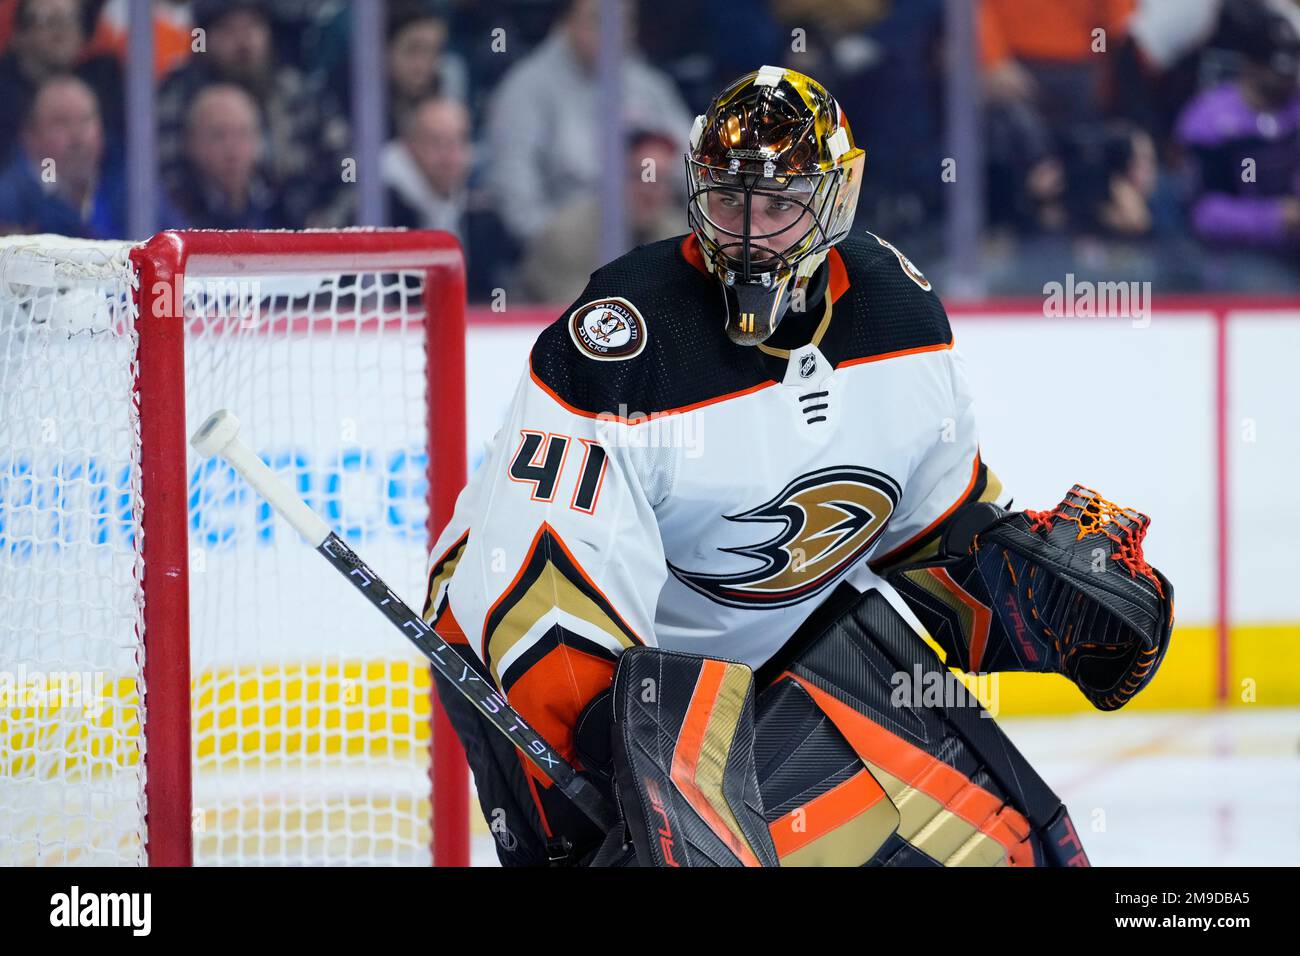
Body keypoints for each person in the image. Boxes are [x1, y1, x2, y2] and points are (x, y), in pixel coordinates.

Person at [422, 67, 1174, 867]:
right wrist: (626, 764)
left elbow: (930, 536)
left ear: (836, 201)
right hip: (530, 661)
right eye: (728, 199)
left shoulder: (898, 319)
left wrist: (1018, 596)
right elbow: (539, 594)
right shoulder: (623, 344)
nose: (747, 232)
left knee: (1013, 850)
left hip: (767, 647)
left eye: (779, 204)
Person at [482, 0, 692, 245]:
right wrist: (563, 243)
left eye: (625, 21)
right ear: (565, 22)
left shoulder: (648, 84)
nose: (615, 31)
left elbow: (694, 167)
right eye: (599, 19)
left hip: (647, 237)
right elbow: (516, 199)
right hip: (568, 247)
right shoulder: (524, 89)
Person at [155, 0, 349, 227]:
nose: (243, 42)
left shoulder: (298, 94)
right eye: (228, 28)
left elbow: (349, 167)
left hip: (297, 238)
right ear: (203, 37)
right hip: (196, 236)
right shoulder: (176, 97)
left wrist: (324, 226)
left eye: (253, 27)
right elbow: (159, 180)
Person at [1177, 3, 1300, 253]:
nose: (1284, 80)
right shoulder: (1210, 119)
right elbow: (1201, 213)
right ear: (1250, 64)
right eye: (1275, 70)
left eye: (1290, 72)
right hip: (1233, 254)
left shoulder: (1295, 108)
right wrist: (1275, 218)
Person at [515, 128, 687, 304]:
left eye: (664, 180)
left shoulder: (676, 233)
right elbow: (584, 316)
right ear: (614, 178)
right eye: (640, 177)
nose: (651, 193)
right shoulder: (567, 235)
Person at [0, 72, 124, 237]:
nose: (77, 136)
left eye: (86, 120)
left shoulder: (130, 186)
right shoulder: (9, 205)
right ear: (31, 136)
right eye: (61, 122)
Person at [0, 0, 123, 163]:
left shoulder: (102, 84)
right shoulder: (5, 100)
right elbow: (46, 172)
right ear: (18, 36)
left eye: (71, 18)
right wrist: (49, 185)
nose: (61, 30)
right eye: (46, 19)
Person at [164, 82, 285, 230]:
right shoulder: (173, 210)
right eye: (218, 135)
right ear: (191, 142)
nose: (232, 150)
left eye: (242, 133)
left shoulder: (279, 205)